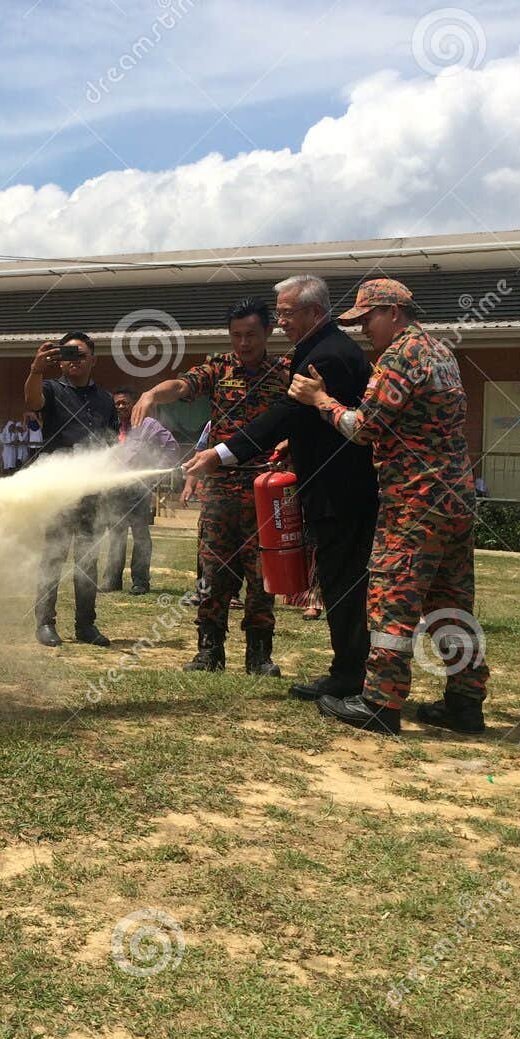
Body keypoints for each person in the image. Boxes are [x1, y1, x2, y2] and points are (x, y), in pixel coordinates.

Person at [281, 278, 488, 735]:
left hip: (414, 502)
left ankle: (380, 702)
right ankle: (466, 701)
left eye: (367, 319)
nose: (362, 331)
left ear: (393, 312)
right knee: (451, 603)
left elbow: (365, 427)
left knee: (391, 601)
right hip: (455, 499)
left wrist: (321, 401)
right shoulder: (441, 354)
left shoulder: (401, 355)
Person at [179, 276, 379, 701]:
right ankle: (344, 669)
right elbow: (304, 420)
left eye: (287, 313)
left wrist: (219, 454)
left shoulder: (329, 355)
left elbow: (286, 414)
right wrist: (296, 439)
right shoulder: (317, 349)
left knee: (342, 583)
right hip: (322, 490)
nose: (282, 320)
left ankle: (348, 676)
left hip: (340, 493)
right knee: (334, 580)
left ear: (313, 312)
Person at [133, 299, 288, 675]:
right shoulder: (219, 367)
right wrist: (152, 393)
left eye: (251, 335)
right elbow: (182, 385)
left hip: (265, 491)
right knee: (213, 573)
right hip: (220, 493)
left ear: (268, 332)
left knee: (261, 575)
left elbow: (308, 415)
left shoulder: (286, 371)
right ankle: (209, 650)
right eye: (236, 335)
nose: (244, 343)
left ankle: (259, 655)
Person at [25, 332, 118, 647]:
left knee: (87, 559)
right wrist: (36, 370)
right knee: (54, 556)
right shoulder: (51, 389)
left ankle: (86, 625)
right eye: (66, 354)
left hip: (90, 490)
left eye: (79, 354)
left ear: (93, 359)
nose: (72, 360)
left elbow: (110, 441)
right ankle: (45, 624)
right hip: (59, 490)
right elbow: (32, 401)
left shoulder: (105, 399)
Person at [99, 388, 179, 595]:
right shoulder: (111, 427)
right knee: (116, 536)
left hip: (139, 489)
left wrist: (154, 472)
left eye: (125, 402)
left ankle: (140, 582)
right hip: (114, 489)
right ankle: (112, 580)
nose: (120, 406)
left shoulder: (148, 425)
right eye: (116, 403)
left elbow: (171, 447)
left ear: (134, 404)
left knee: (140, 536)